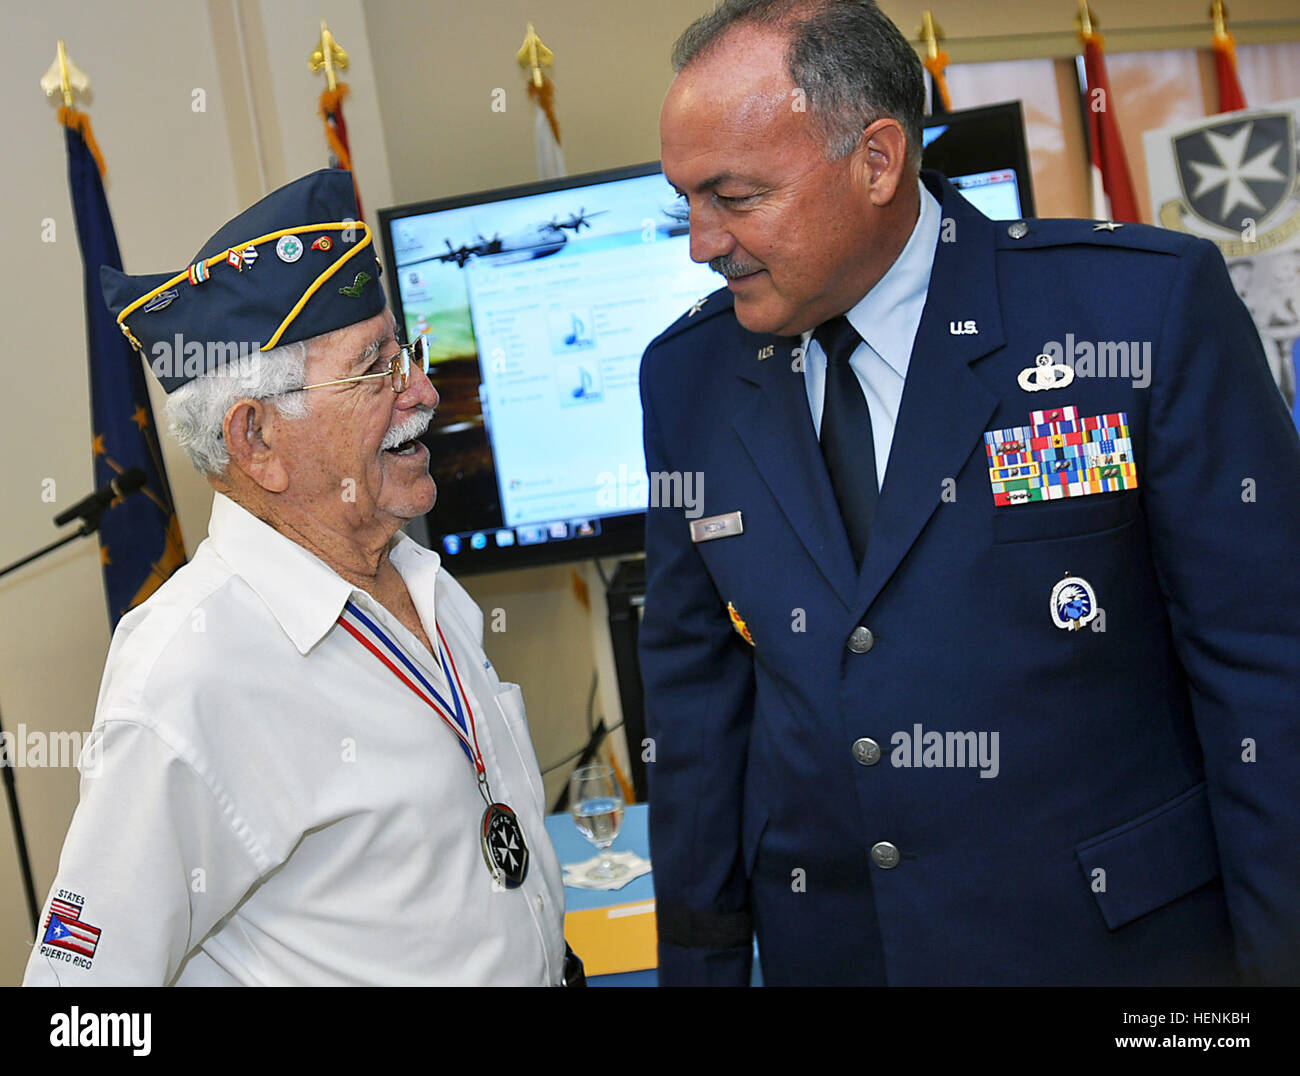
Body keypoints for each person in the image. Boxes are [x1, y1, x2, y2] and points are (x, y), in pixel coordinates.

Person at [639, 0, 1300, 986]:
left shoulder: (1133, 310)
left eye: (734, 197)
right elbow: (694, 709)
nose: (701, 242)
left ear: (875, 159)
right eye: (682, 202)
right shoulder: (687, 377)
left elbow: (1267, 669)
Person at [24, 170, 573, 986]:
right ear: (257, 442)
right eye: (374, 372)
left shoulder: (424, 581)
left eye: (407, 355)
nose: (422, 393)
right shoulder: (189, 672)